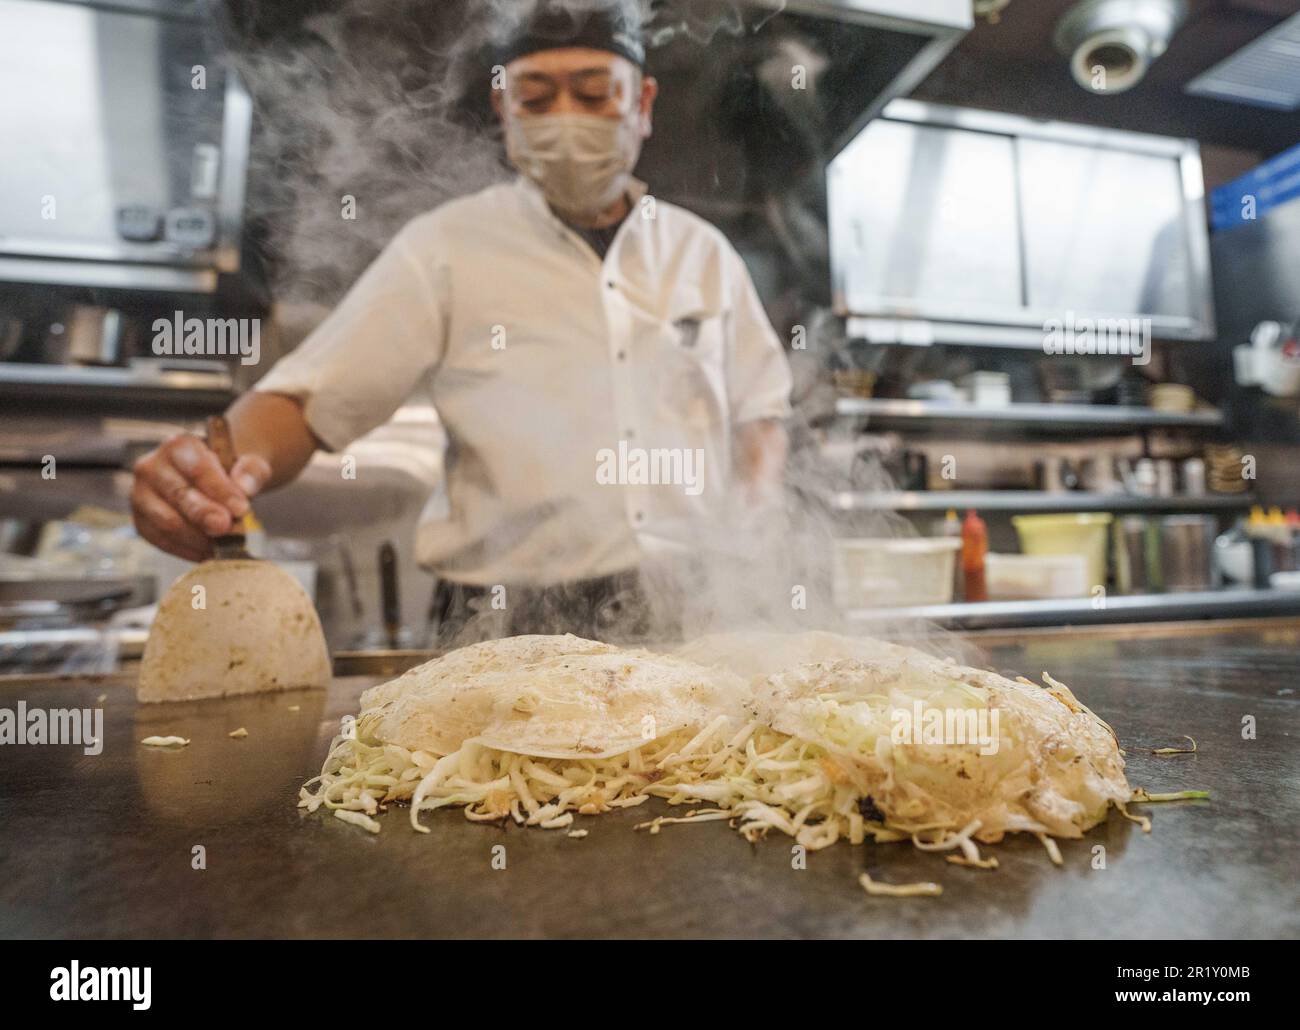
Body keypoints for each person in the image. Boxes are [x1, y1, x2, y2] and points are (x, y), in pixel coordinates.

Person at [129, 2, 793, 644]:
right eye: (536, 97)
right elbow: (306, 402)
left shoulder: (701, 254)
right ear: (503, 107)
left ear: (642, 104)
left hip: (686, 605)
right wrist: (208, 473)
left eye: (594, 95)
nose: (566, 119)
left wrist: (749, 526)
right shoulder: (446, 247)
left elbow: (758, 408)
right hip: (507, 617)